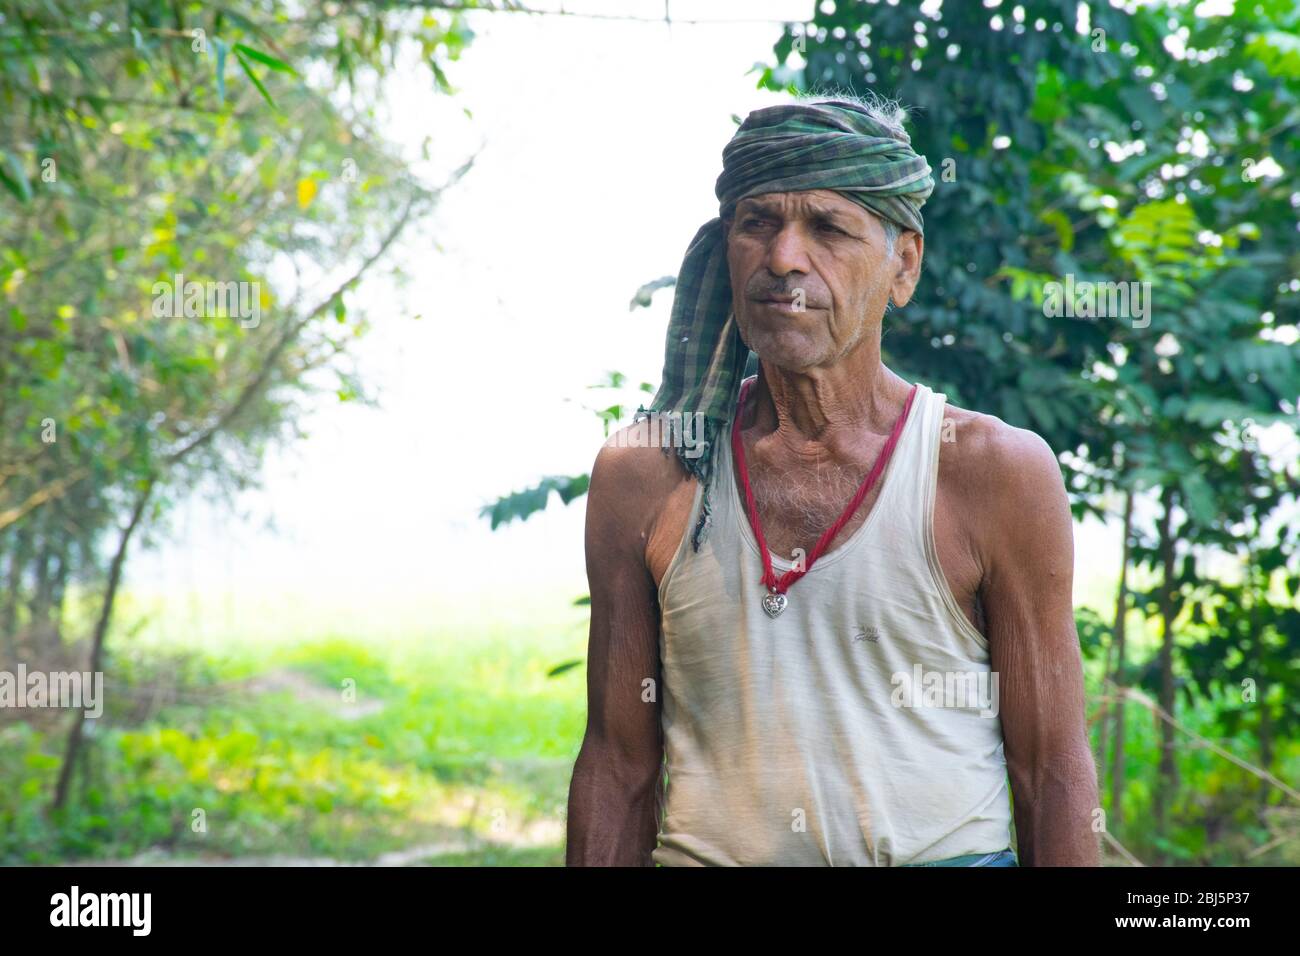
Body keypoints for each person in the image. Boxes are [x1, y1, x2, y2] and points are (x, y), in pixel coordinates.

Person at [566, 93, 1099, 867]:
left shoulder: (990, 474)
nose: (783, 258)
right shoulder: (647, 474)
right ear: (727, 248)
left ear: (903, 264)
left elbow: (1050, 771)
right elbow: (616, 765)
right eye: (757, 224)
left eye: (828, 228)